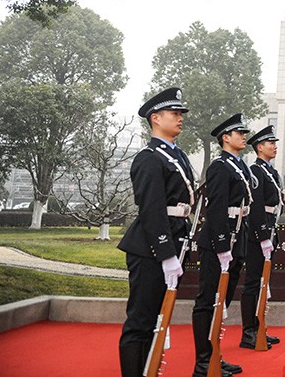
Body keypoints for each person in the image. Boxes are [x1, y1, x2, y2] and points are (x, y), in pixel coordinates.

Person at [118, 88, 193, 377]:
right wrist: (165, 253)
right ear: (155, 118)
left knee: (157, 319)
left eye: (180, 114)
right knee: (141, 320)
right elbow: (151, 210)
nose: (180, 118)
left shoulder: (177, 155)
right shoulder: (149, 157)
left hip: (174, 241)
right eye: (174, 114)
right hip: (150, 249)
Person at [192, 114, 252, 377]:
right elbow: (215, 207)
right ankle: (203, 361)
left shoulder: (238, 166)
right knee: (208, 300)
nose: (244, 136)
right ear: (225, 138)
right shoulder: (219, 166)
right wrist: (221, 245)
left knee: (223, 301)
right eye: (239, 133)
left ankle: (216, 353)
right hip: (219, 240)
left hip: (235, 237)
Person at [239, 124, 284, 350]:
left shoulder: (270, 171)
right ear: (259, 147)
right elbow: (255, 206)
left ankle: (259, 327)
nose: (274, 147)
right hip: (259, 232)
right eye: (270, 143)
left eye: (275, 143)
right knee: (253, 282)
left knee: (262, 282)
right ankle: (249, 331)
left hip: (270, 227)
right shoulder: (255, 171)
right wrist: (263, 235)